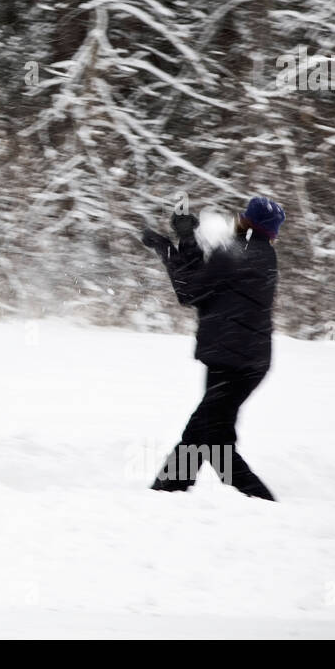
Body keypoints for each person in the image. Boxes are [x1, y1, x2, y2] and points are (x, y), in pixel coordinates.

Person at [140, 196, 285, 500]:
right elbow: (206, 281)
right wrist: (186, 238)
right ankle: (168, 491)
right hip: (242, 361)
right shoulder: (258, 254)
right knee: (212, 436)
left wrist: (169, 246)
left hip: (233, 363)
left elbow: (190, 291)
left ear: (246, 221)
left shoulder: (237, 253)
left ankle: (261, 501)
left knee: (208, 433)